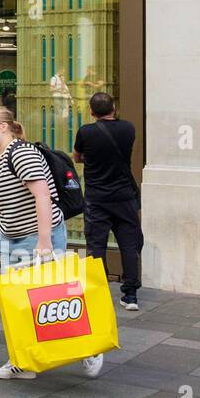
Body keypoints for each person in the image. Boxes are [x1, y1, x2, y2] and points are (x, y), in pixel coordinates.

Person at [0, 105, 103, 380]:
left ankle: (89, 349)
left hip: (38, 235)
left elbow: (42, 196)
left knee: (55, 298)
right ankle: (21, 360)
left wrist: (44, 241)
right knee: (17, 303)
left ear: (4, 127)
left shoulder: (22, 154)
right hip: (10, 238)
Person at [73, 91, 142, 311]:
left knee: (96, 247)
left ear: (92, 112)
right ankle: (130, 295)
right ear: (114, 108)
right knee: (129, 245)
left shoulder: (86, 132)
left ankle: (99, 293)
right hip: (124, 197)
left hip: (97, 198)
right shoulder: (128, 128)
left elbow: (77, 157)